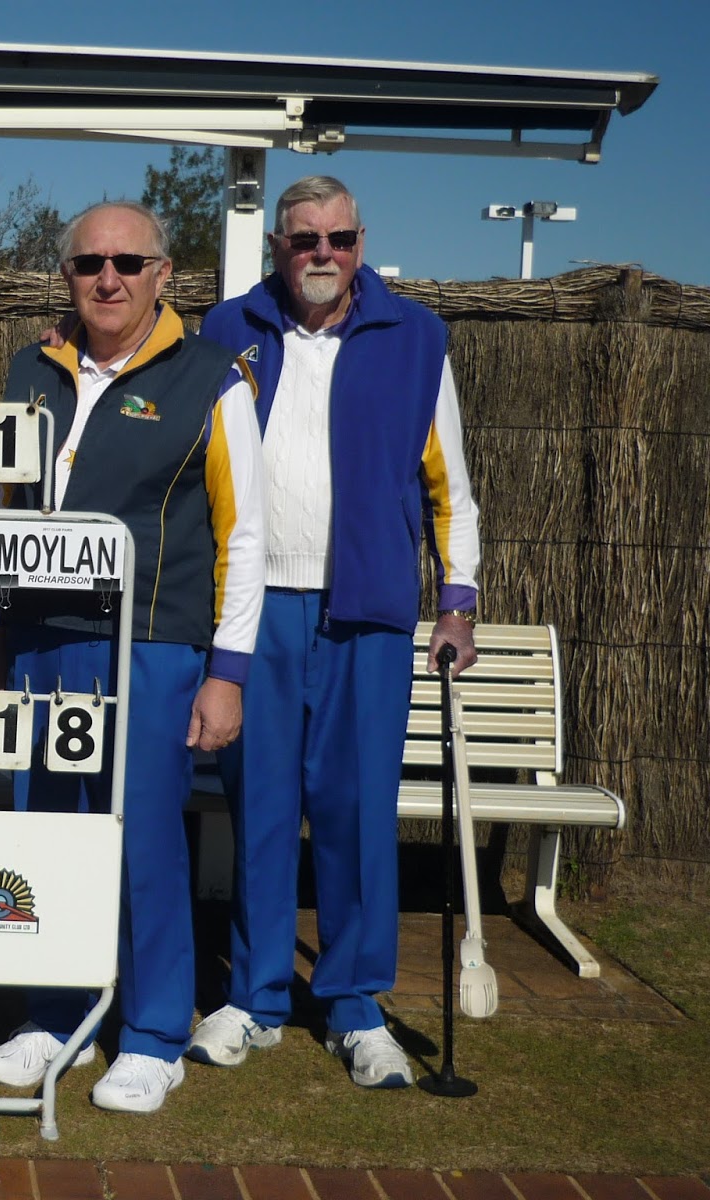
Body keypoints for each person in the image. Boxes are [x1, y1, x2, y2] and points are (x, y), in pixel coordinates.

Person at [190, 175, 481, 1089]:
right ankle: (256, 998)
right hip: (255, 608)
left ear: (362, 243)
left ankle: (355, 1005)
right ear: (278, 246)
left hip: (367, 610)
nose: (323, 252)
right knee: (261, 808)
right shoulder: (225, 330)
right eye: (305, 238)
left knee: (355, 811)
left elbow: (450, 483)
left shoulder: (416, 337)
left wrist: (457, 601)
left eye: (340, 238)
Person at [0, 200, 266, 1113]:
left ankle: (153, 1035)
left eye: (128, 263)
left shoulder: (213, 378)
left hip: (149, 646)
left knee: (142, 843)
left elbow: (245, 537)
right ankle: (53, 1018)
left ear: (163, 275)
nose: (108, 278)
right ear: (66, 274)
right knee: (47, 834)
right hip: (37, 642)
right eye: (89, 263)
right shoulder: (29, 367)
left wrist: (228, 673)